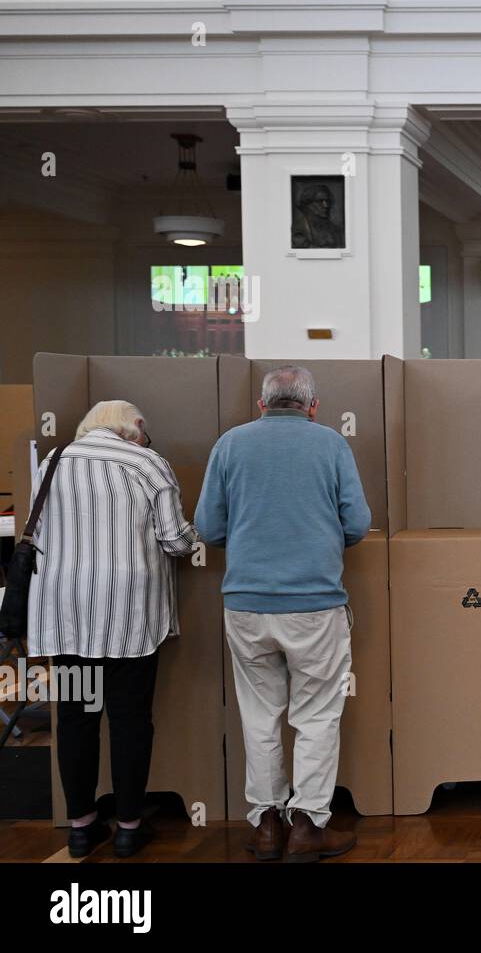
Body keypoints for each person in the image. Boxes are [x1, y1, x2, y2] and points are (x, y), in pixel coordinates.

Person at [195, 365, 370, 862]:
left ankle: (267, 825)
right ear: (313, 406)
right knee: (316, 715)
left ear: (262, 405)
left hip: (246, 604)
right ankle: (308, 827)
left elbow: (207, 527)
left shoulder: (229, 444)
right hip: (314, 603)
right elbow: (357, 523)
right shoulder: (331, 445)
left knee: (258, 716)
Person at [27, 401, 197, 858]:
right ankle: (128, 827)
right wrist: (195, 535)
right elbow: (175, 540)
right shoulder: (146, 461)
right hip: (130, 618)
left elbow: (38, 531)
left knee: (76, 719)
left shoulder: (53, 460)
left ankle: (81, 826)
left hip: (65, 618)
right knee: (129, 720)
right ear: (135, 426)